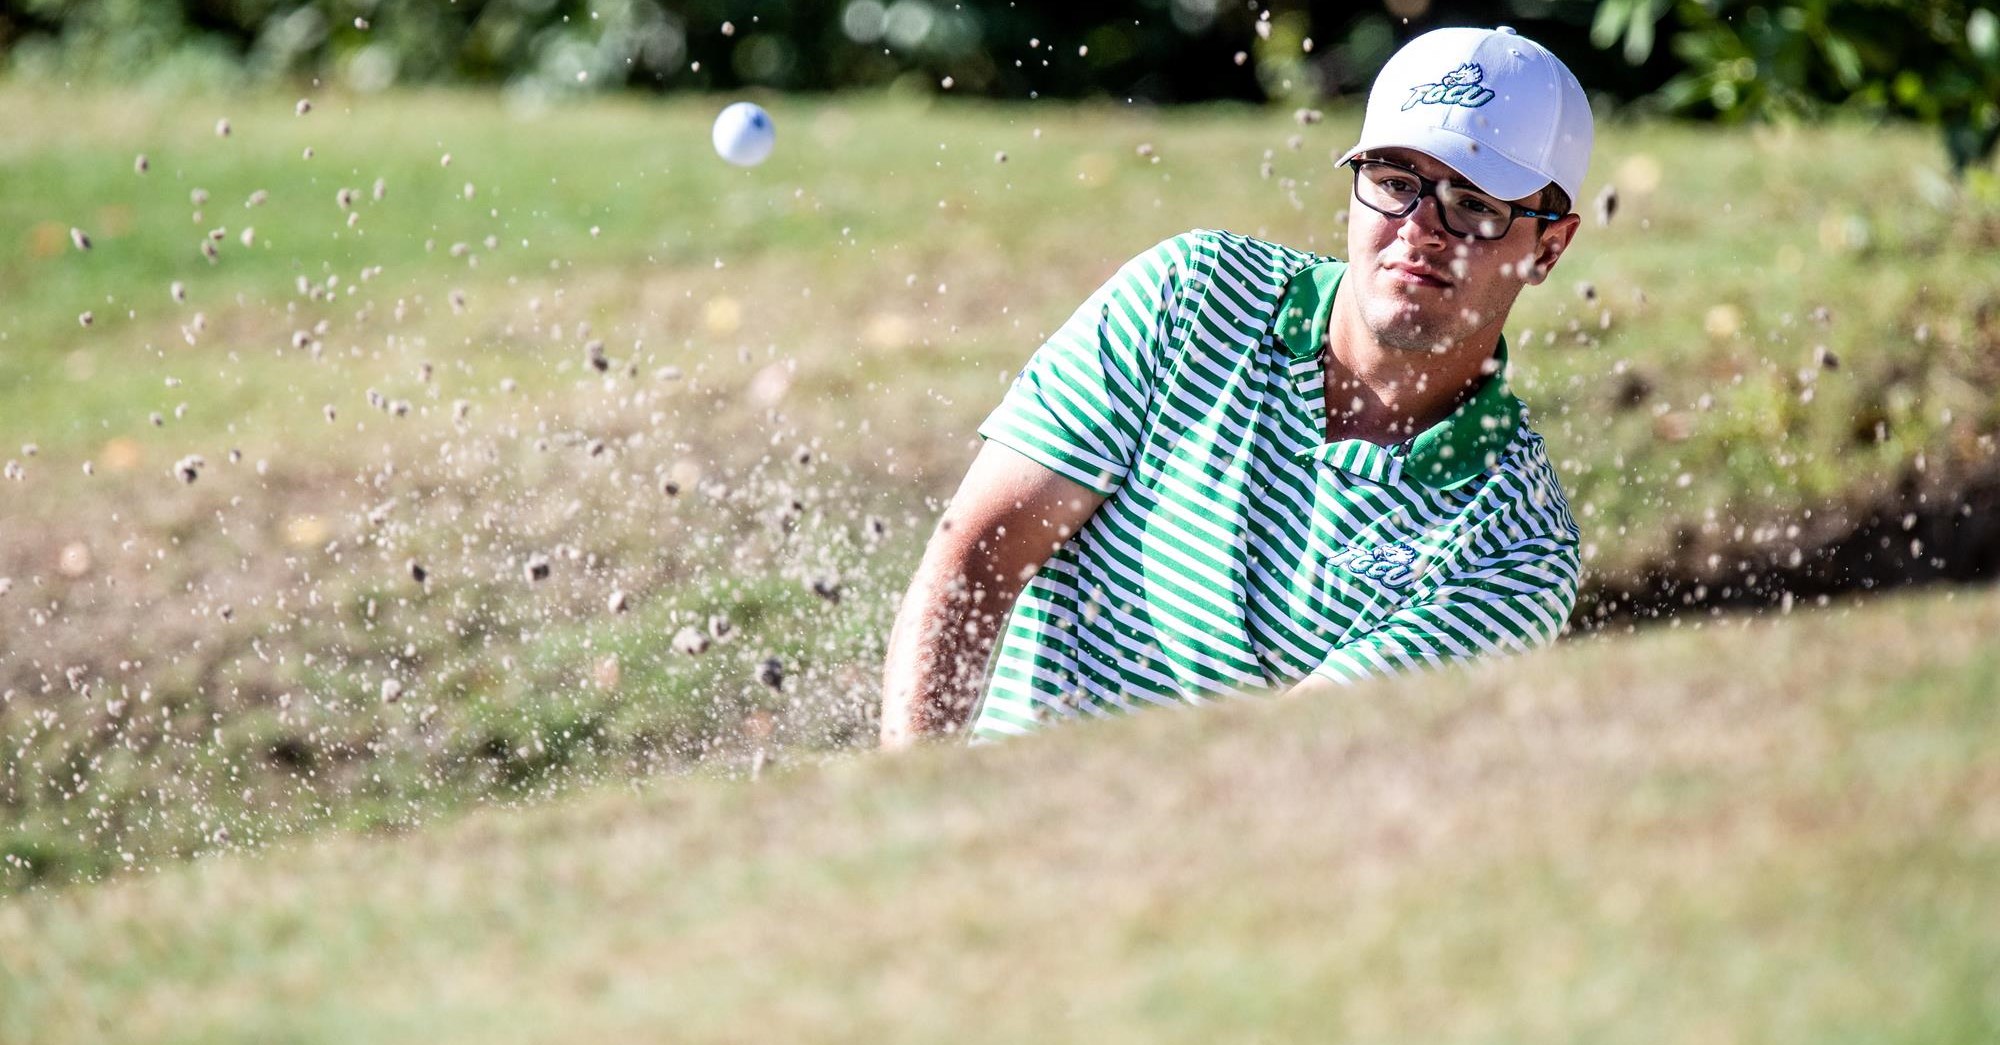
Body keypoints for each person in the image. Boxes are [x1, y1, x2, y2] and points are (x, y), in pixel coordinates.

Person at [881, 26, 1593, 747]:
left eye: (1474, 204)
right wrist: (915, 804)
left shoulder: (1514, 549)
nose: (1420, 230)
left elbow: (1274, 769)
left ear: (1549, 248)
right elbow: (973, 561)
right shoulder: (1191, 296)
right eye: (1395, 182)